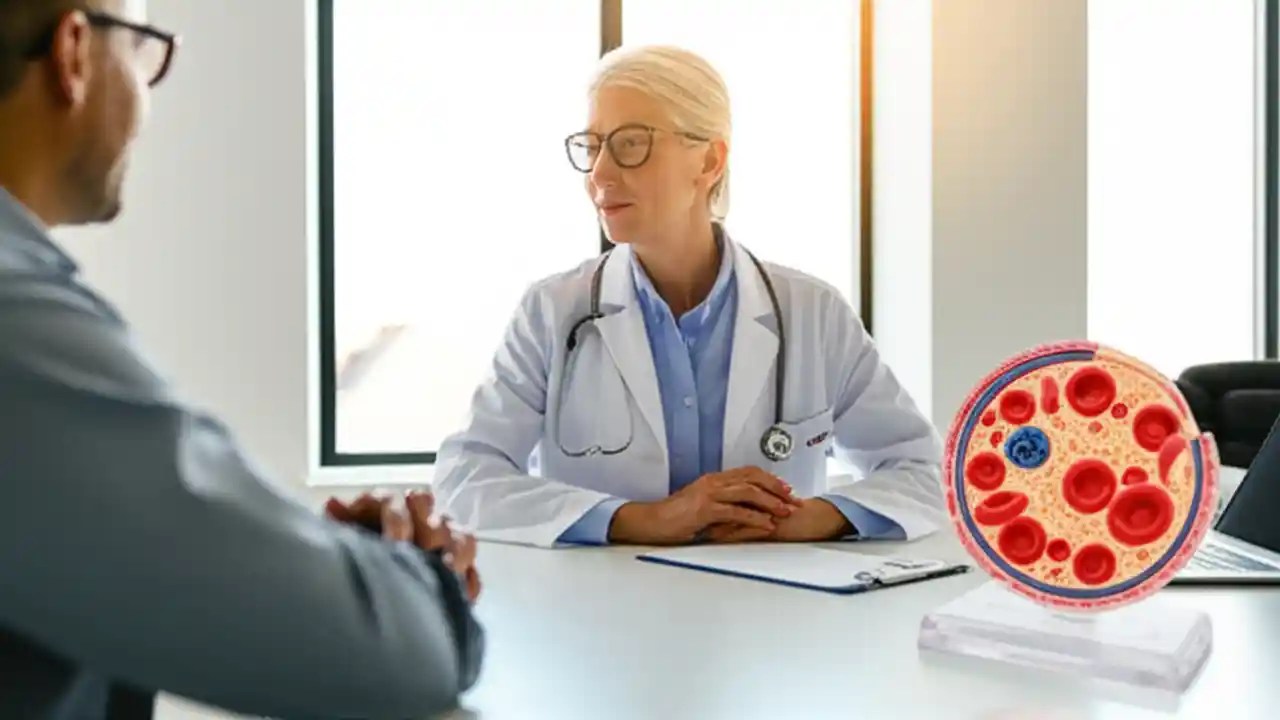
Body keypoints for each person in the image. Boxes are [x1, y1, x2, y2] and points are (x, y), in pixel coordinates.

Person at [0, 1, 483, 718]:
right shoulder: (16, 319)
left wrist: (303, 565)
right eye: (142, 51)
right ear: (74, 51)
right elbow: (397, 653)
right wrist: (413, 576)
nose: (145, 98)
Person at [434, 44, 945, 549]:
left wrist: (813, 518)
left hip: (771, 599)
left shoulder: (812, 313)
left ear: (709, 160)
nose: (600, 174)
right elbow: (465, 479)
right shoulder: (551, 312)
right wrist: (641, 521)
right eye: (591, 147)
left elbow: (925, 472)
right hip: (604, 600)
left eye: (630, 144)